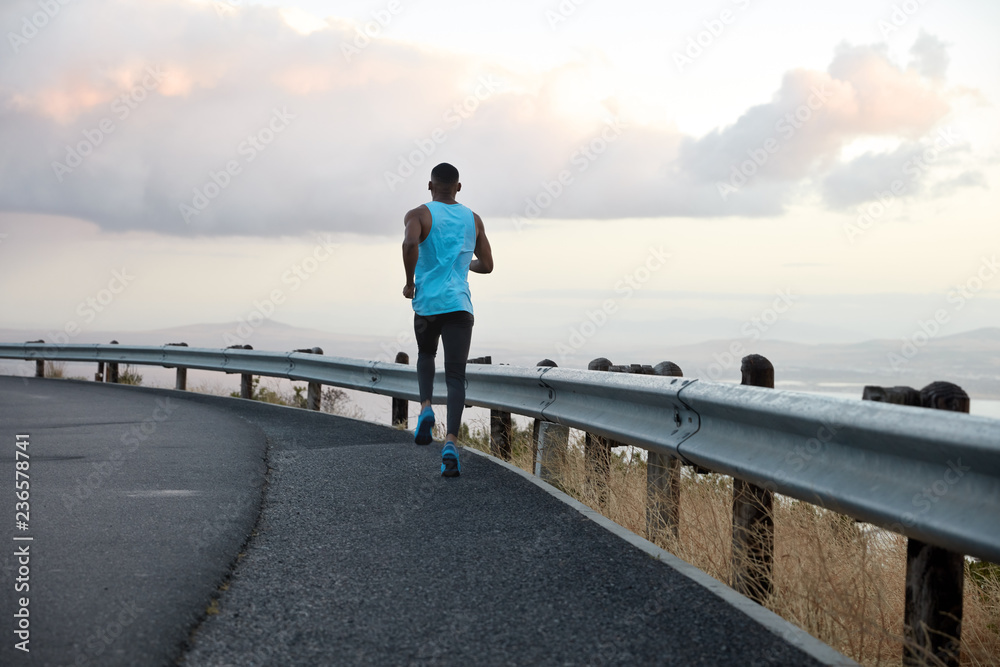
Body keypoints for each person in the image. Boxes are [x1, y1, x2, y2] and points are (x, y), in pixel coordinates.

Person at [402, 162, 493, 477]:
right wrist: (463, 264)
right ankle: (451, 443)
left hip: (427, 304)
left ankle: (426, 407)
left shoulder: (419, 215)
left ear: (430, 186)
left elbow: (410, 243)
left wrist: (409, 282)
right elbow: (488, 264)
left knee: (426, 355)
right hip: (459, 306)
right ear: (459, 187)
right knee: (456, 376)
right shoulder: (474, 220)